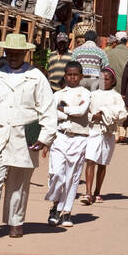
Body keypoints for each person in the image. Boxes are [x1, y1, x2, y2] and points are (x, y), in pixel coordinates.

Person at [0, 34, 56, 240]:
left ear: (25, 54)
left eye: (17, 53)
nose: (13, 56)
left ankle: (16, 222)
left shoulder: (36, 77)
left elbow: (48, 109)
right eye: (10, 53)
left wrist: (45, 136)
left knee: (18, 182)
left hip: (23, 136)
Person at [45, 61, 92, 227]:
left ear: (81, 76)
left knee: (72, 177)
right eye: (69, 75)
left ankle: (65, 212)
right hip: (60, 136)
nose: (72, 77)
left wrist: (63, 111)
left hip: (79, 138)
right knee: (57, 173)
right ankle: (55, 205)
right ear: (65, 76)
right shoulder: (58, 95)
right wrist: (69, 112)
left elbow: (81, 112)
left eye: (75, 75)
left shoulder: (85, 93)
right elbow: (51, 113)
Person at [81, 67, 128, 206]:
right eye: (101, 78)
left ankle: (97, 192)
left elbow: (122, 114)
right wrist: (92, 116)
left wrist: (106, 112)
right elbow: (84, 112)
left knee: (102, 163)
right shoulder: (92, 95)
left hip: (108, 133)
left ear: (113, 80)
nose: (104, 81)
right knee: (90, 160)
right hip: (93, 131)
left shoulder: (116, 96)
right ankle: (88, 193)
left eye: (107, 79)